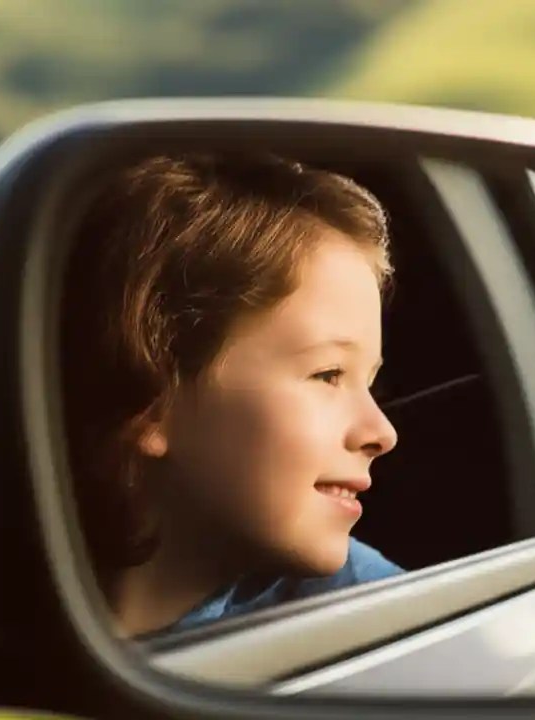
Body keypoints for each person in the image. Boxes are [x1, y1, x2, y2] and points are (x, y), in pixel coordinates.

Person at [59, 152, 402, 638]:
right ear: (154, 395)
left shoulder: (367, 605)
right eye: (328, 374)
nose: (382, 432)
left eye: (369, 383)